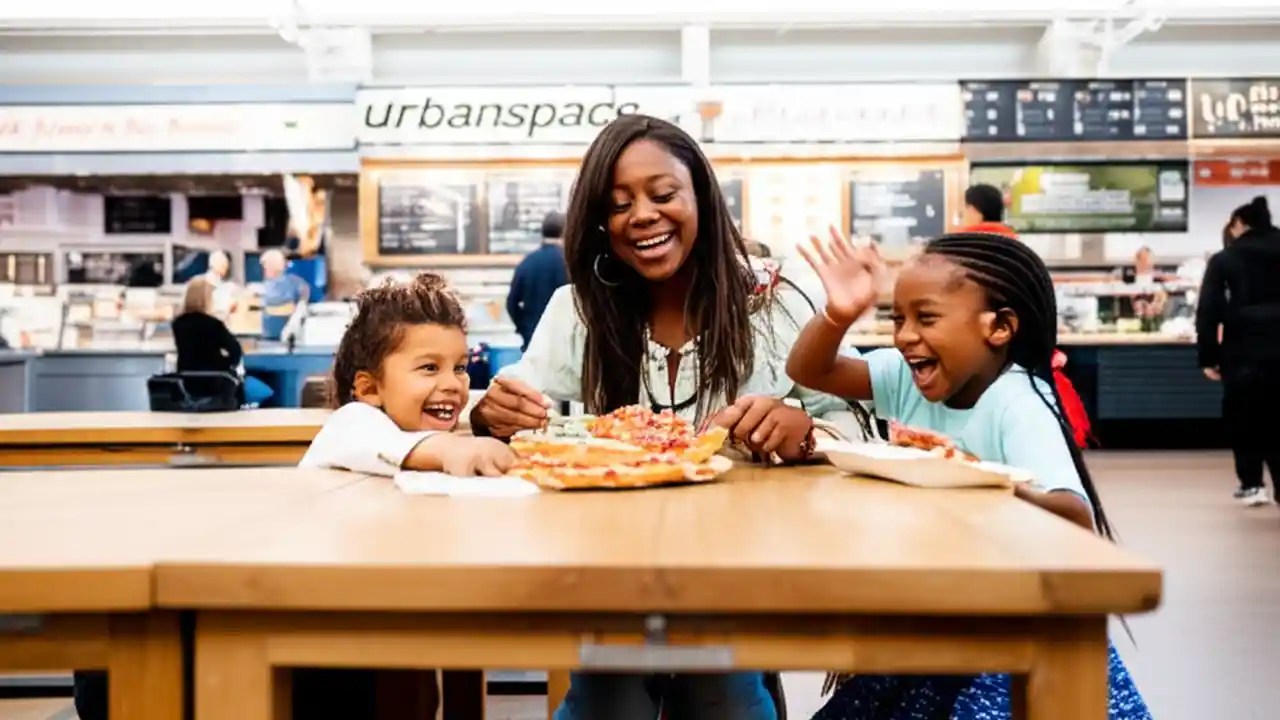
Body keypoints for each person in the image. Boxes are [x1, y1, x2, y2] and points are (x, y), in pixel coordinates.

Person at [470, 114, 866, 720]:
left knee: (721, 690)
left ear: (701, 198)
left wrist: (808, 432)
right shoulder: (577, 310)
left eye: (663, 194)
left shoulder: (780, 298)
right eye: (620, 203)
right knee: (611, 694)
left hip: (746, 570)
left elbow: (863, 426)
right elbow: (510, 401)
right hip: (606, 573)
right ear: (600, 222)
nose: (643, 215)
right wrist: (492, 412)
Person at [787, 230, 1150, 719]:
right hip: (939, 623)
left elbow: (1073, 518)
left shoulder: (1017, 403)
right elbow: (811, 369)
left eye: (926, 318)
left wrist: (971, 480)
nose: (905, 336)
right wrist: (839, 314)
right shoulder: (907, 378)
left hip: (1015, 633)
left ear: (998, 328)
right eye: (898, 319)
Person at [296, 272, 515, 719]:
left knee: (419, 696)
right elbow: (429, 451)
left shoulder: (422, 447)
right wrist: (465, 449)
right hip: (315, 637)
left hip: (385, 617)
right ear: (369, 388)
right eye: (429, 368)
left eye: (460, 366)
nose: (455, 383)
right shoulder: (353, 422)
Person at [1197, 196, 1280, 507]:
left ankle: (1252, 484)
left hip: (1243, 350)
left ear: (1239, 224)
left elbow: (1208, 311)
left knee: (1245, 417)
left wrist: (1208, 356)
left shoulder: (1226, 258)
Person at [172, 277, 273, 407]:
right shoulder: (213, 324)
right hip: (215, 380)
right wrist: (227, 366)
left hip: (187, 381)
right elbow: (235, 350)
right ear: (206, 299)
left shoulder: (177, 324)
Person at [506, 211, 569, 351]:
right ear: (564, 232)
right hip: (564, 341)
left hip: (533, 339)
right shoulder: (570, 263)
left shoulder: (528, 262)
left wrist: (523, 328)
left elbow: (511, 302)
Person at [259, 249, 310, 341]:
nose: (264, 269)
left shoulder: (294, 283)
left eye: (265, 266)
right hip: (265, 337)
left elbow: (303, 300)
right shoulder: (262, 286)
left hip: (288, 336)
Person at [203, 249, 238, 319]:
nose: (226, 269)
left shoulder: (217, 281)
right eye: (224, 266)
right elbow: (212, 307)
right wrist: (229, 307)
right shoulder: (208, 281)